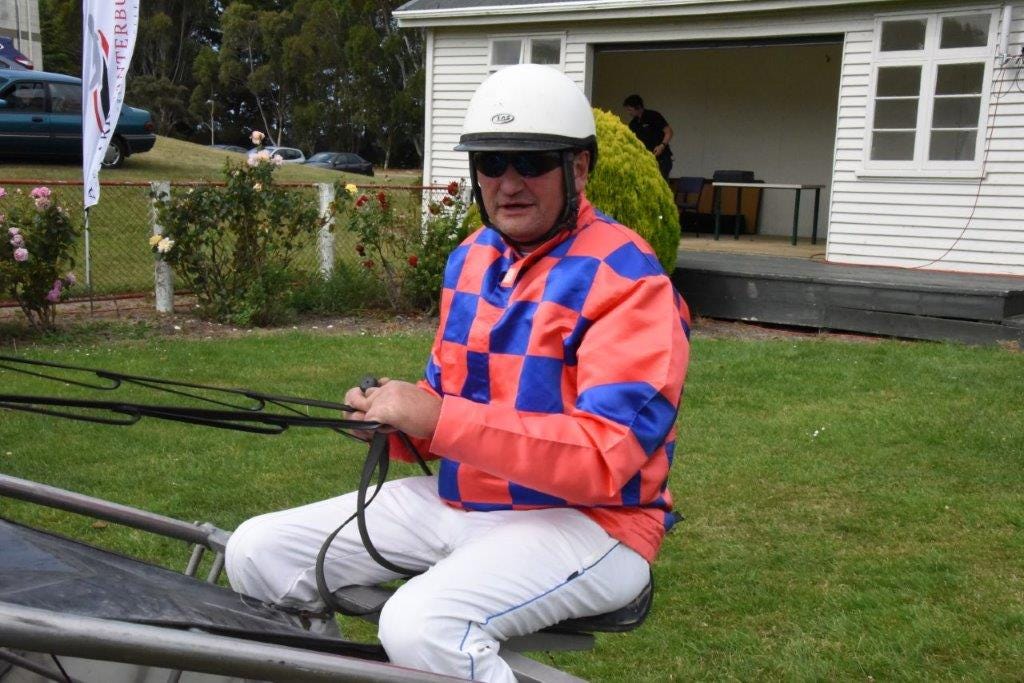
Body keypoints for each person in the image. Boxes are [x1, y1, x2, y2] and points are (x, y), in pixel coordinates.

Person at [225, 64, 691, 683]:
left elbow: (605, 458)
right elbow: (447, 405)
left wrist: (438, 419)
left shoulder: (630, 281)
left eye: (530, 163)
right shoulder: (471, 259)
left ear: (578, 169)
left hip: (595, 523)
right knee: (257, 552)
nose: (508, 182)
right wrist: (392, 420)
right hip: (464, 501)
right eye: (491, 162)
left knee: (421, 626)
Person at [623, 94, 674, 179]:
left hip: (661, 159)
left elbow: (669, 132)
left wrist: (662, 146)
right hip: (645, 161)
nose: (629, 113)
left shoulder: (653, 116)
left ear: (638, 107)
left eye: (630, 110)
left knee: (660, 184)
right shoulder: (633, 124)